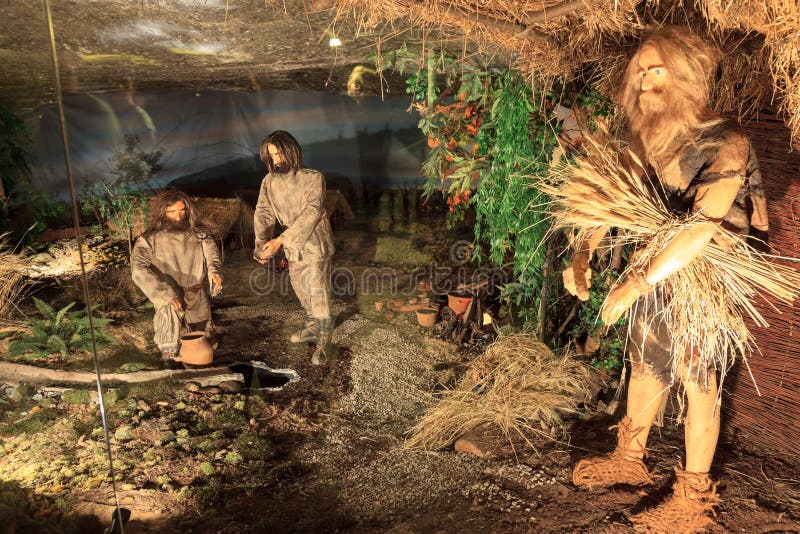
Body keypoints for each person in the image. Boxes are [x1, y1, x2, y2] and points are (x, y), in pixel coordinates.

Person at [564, 27, 768, 532]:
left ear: (688, 77)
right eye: (640, 70)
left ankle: (694, 498)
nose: (646, 81)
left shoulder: (728, 140)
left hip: (706, 279)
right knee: (646, 364)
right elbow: (608, 197)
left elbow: (703, 224)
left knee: (701, 381)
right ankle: (630, 460)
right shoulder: (639, 141)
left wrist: (638, 281)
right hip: (651, 272)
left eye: (659, 70)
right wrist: (583, 251)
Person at [253, 130, 335, 365]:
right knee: (300, 288)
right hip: (292, 245)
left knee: (317, 289)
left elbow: (312, 212)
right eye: (271, 156)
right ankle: (312, 326)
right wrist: (261, 242)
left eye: (279, 153)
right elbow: (264, 212)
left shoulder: (313, 177)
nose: (276, 160)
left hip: (315, 242)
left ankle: (323, 339)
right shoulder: (269, 181)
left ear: (292, 150)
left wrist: (280, 240)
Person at [131, 190, 222, 368]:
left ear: (188, 211)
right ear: (162, 213)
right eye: (171, 212)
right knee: (170, 338)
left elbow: (213, 256)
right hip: (170, 297)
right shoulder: (149, 240)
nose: (177, 216)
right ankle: (170, 368)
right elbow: (138, 268)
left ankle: (201, 372)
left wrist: (214, 273)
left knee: (202, 339)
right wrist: (165, 294)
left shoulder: (199, 234)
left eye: (181, 211)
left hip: (196, 293)